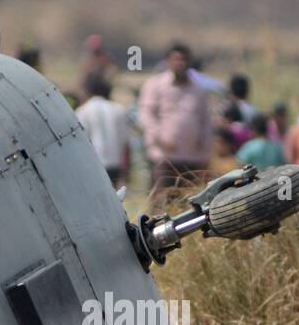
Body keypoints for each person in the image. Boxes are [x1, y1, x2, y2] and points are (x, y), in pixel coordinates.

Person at [138, 42, 213, 209]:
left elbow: (206, 121)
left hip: (192, 158)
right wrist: (160, 138)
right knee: (160, 205)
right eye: (177, 59)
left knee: (188, 206)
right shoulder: (155, 85)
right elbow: (146, 115)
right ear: (168, 61)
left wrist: (205, 149)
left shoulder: (198, 90)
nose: (181, 63)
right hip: (164, 157)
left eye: (184, 59)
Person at [76, 73, 131, 186]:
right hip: (115, 165)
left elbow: (80, 142)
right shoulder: (119, 109)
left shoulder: (83, 111)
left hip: (93, 166)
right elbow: (126, 143)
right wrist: (126, 170)